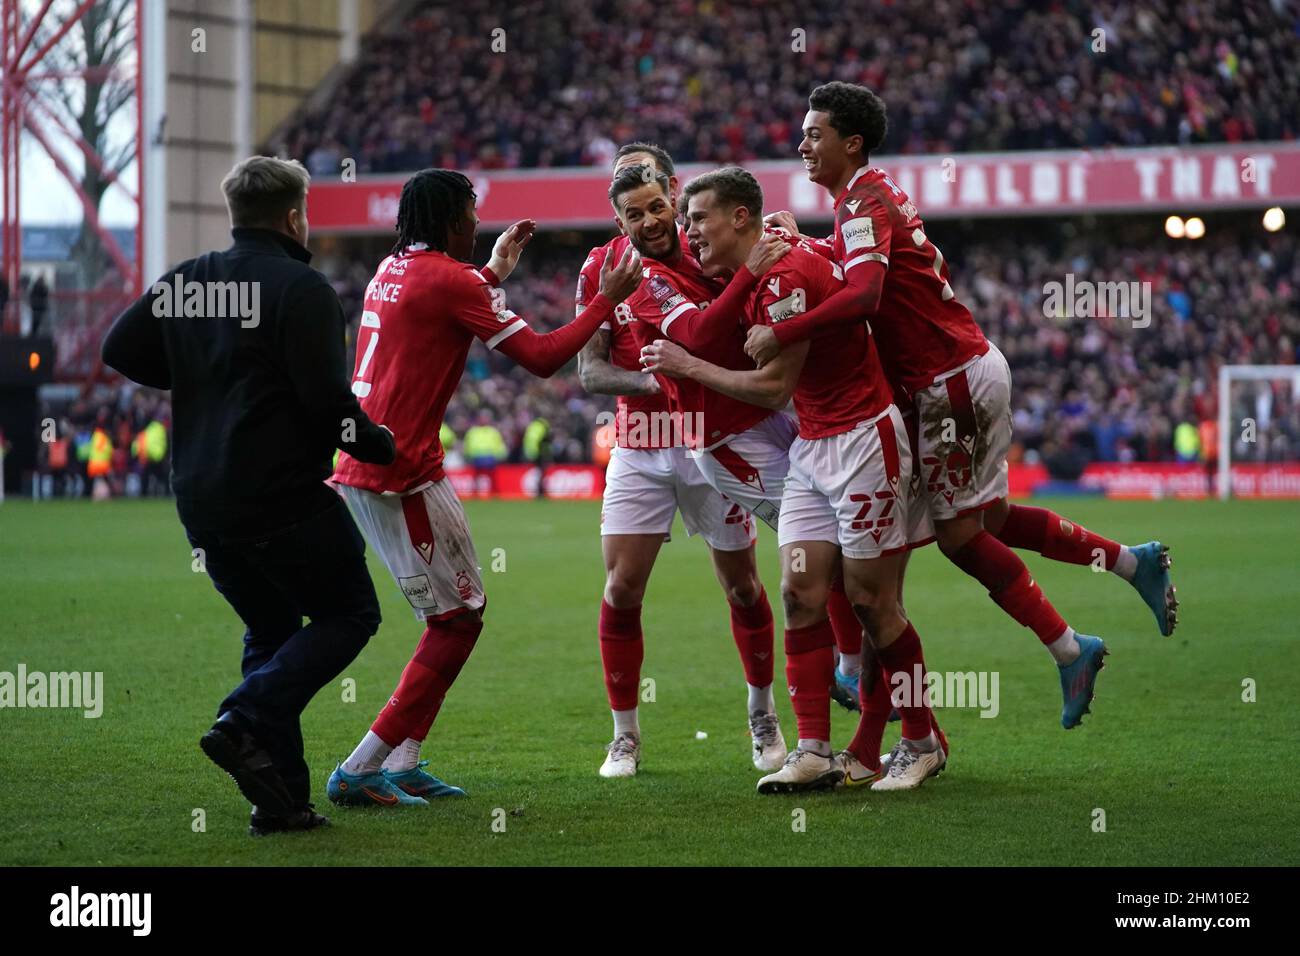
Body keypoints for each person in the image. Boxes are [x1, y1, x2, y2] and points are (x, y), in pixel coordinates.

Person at [745, 82, 1179, 728]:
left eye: (814, 133)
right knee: (991, 517)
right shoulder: (865, 198)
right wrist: (810, 241)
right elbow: (863, 269)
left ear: (851, 142)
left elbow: (863, 296)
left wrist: (781, 330)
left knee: (957, 536)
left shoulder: (862, 203)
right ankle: (1129, 562)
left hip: (947, 382)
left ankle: (1069, 650)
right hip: (958, 372)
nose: (801, 144)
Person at [326, 168, 643, 806]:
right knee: (455, 623)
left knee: (456, 617)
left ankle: (405, 760)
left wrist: (492, 272)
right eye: (471, 212)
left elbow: (437, 307)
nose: (478, 224)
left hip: (381, 463)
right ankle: (360, 769)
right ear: (450, 221)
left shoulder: (392, 269)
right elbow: (547, 357)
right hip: (399, 477)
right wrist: (606, 300)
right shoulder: (449, 280)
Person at [102, 155, 397, 836]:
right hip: (282, 498)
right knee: (350, 612)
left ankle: (280, 801)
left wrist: (199, 369)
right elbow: (330, 404)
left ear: (236, 216)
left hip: (202, 502)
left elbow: (120, 348)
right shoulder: (302, 288)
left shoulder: (191, 283)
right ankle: (245, 715)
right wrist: (380, 445)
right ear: (295, 216)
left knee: (270, 628)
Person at [641, 167, 947, 790]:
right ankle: (811, 750)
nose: (687, 232)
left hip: (863, 438)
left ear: (740, 218)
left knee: (871, 602)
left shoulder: (781, 274)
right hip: (812, 444)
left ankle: (920, 741)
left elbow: (774, 385)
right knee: (799, 593)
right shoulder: (765, 264)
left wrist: (688, 366)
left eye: (698, 219)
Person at [576, 144, 788, 779]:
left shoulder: (713, 255)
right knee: (620, 587)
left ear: (672, 194)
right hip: (639, 448)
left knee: (743, 585)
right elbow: (590, 371)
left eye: (657, 202)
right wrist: (668, 382)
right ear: (619, 218)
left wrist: (694, 377)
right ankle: (624, 737)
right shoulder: (601, 268)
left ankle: (762, 714)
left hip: (716, 440)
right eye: (631, 209)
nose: (649, 219)